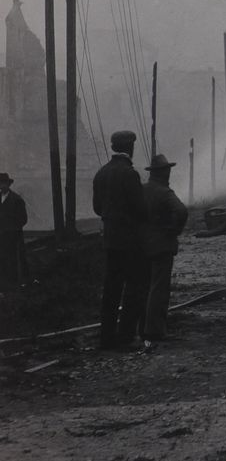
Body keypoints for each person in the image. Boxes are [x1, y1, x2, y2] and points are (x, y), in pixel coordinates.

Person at [92, 130, 149, 350]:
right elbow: (141, 209)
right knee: (135, 286)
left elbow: (97, 208)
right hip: (131, 240)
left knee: (111, 288)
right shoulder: (129, 174)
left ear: (114, 147)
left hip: (111, 239)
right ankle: (126, 336)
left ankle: (106, 338)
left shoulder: (101, 173)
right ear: (130, 147)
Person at [139, 154, 188, 347]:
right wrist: (174, 230)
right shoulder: (164, 192)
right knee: (159, 288)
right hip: (161, 246)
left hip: (141, 245)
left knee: (144, 287)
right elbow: (182, 211)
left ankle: (142, 328)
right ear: (163, 172)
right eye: (167, 170)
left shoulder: (141, 190)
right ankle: (155, 330)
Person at [0, 172, 29, 288]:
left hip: (13, 236)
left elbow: (23, 219)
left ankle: (14, 282)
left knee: (14, 258)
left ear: (8, 184)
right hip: (0, 235)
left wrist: (12, 228)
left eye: (4, 183)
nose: (1, 186)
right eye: (0, 183)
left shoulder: (16, 200)